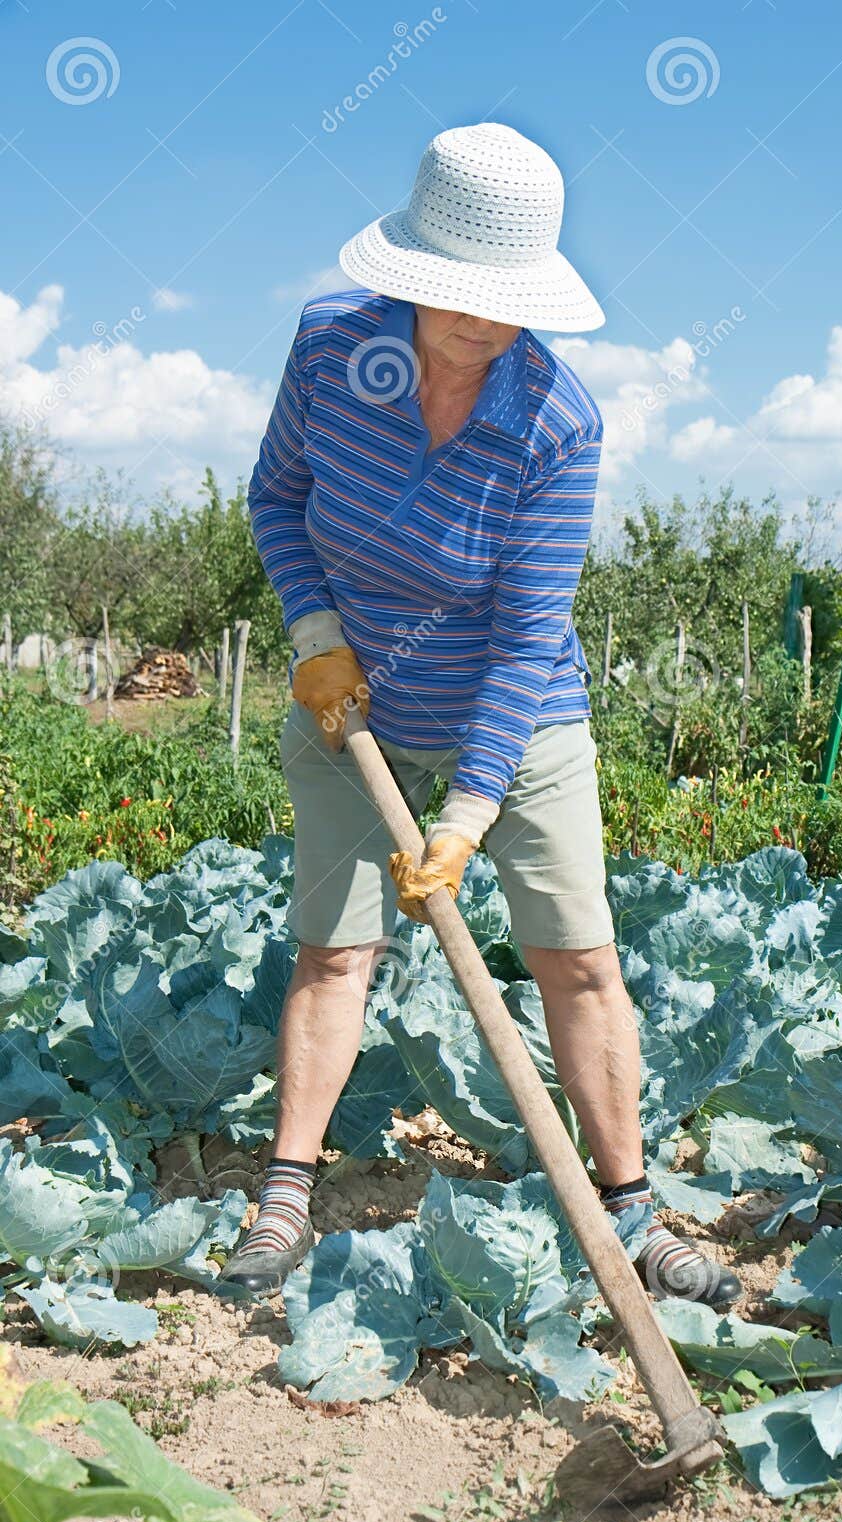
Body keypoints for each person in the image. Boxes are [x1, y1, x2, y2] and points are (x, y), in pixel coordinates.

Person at [221, 122, 740, 1312]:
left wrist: (467, 810)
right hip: (345, 701)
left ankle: (631, 1209)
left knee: (579, 960)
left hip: (518, 721)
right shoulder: (328, 349)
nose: (480, 320)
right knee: (335, 949)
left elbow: (526, 633)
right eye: (456, 295)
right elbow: (278, 496)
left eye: (504, 300)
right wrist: (311, 632)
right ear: (407, 270)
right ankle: (285, 1193)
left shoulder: (557, 424)